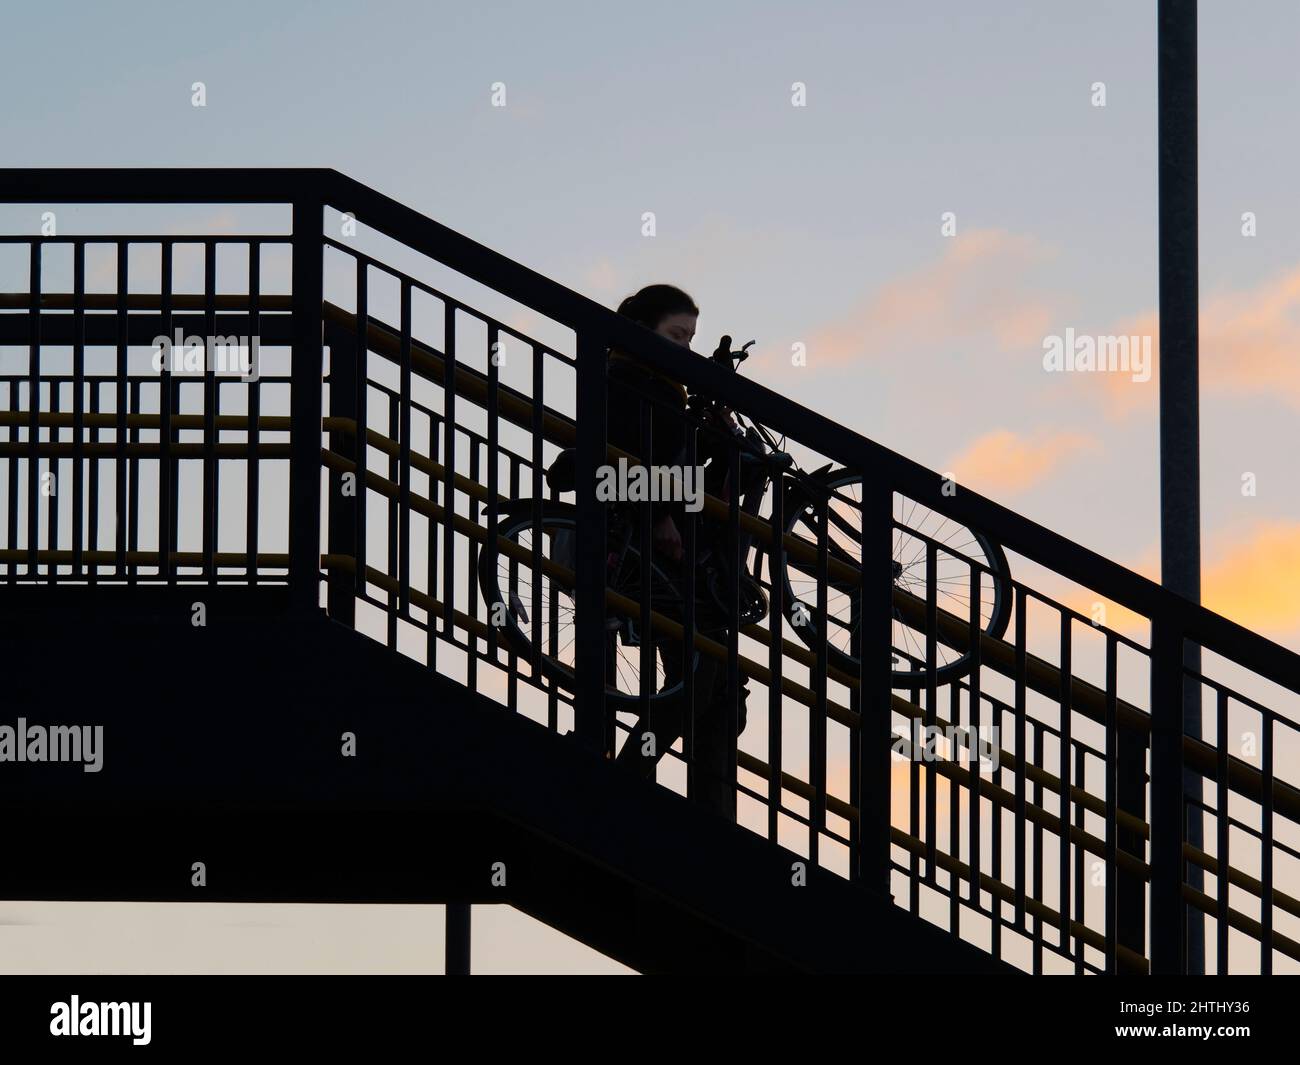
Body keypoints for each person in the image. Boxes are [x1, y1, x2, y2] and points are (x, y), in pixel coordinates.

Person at [603, 284, 748, 822]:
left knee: (721, 684)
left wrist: (715, 440)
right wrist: (658, 515)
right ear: (642, 330)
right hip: (642, 549)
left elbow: (677, 466)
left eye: (690, 339)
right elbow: (618, 465)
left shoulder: (665, 386)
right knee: (699, 675)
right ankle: (627, 781)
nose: (684, 349)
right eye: (675, 336)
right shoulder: (625, 381)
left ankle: (714, 820)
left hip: (678, 553)